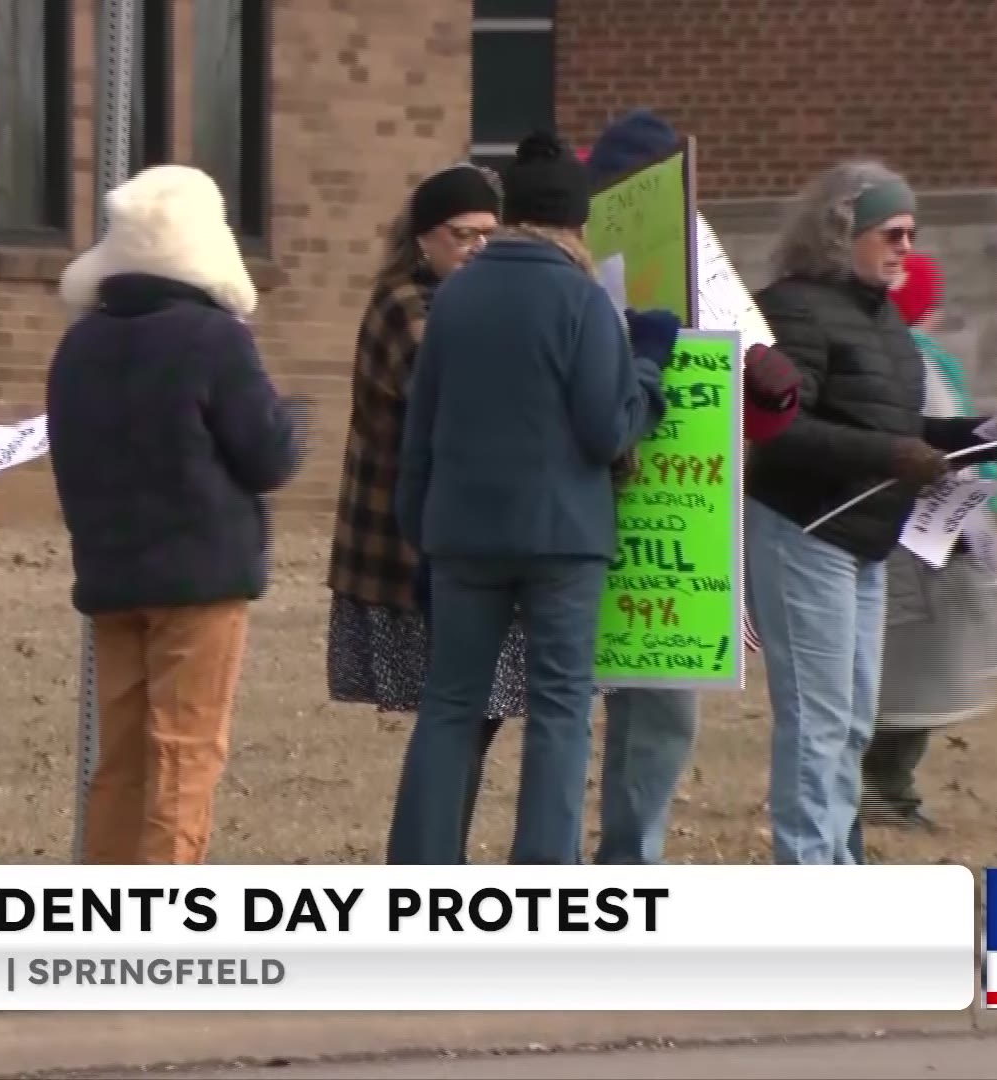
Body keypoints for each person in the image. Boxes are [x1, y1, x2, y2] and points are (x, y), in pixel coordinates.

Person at [387, 131, 670, 865]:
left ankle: (419, 870)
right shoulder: (584, 301)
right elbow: (606, 429)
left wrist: (420, 527)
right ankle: (543, 878)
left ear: (510, 215)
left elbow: (420, 428)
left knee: (450, 704)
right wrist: (647, 373)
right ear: (576, 224)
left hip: (461, 532)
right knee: (559, 708)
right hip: (563, 536)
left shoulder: (454, 297)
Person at [50, 164, 307, 865]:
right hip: (201, 577)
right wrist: (289, 420)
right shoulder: (215, 338)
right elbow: (267, 458)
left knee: (121, 761)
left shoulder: (79, 344)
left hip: (111, 573)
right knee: (184, 754)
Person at [746, 160, 992, 866]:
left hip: (867, 537)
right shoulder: (794, 309)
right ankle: (809, 874)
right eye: (892, 231)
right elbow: (779, 428)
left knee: (854, 716)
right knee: (818, 717)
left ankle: (837, 863)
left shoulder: (881, 316)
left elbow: (898, 424)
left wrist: (987, 431)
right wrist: (890, 454)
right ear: (840, 230)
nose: (906, 246)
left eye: (911, 232)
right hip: (806, 528)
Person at [580, 109, 803, 864]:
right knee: (566, 708)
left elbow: (754, 405)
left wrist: (771, 389)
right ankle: (550, 867)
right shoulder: (566, 255)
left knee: (664, 709)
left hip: (673, 522)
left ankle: (630, 865)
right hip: (578, 511)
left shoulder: (698, 260)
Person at [325, 164, 524, 863]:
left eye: (489, 234)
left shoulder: (466, 302)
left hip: (453, 539)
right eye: (461, 235)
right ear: (422, 240)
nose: (477, 248)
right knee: (459, 713)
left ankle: (435, 853)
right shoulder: (405, 307)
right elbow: (465, 398)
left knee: (473, 714)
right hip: (406, 548)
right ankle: (426, 860)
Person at [860, 252, 997, 832]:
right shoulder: (916, 362)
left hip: (935, 530)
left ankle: (885, 784)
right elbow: (943, 447)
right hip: (926, 536)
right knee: (920, 668)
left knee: (922, 667)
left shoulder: (915, 358)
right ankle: (882, 787)